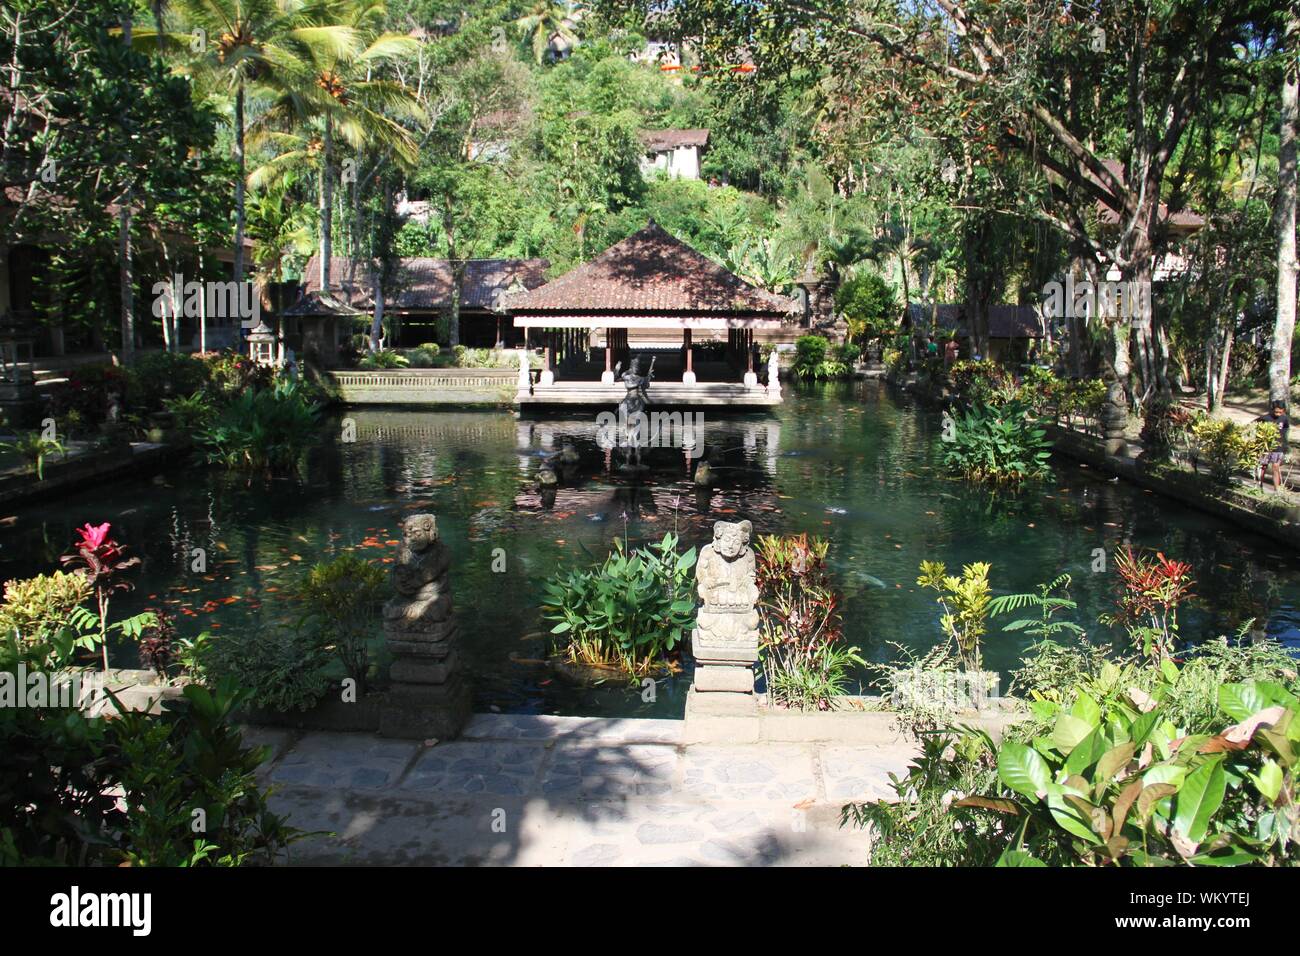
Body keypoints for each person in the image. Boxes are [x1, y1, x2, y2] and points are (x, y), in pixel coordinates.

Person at [1257, 400, 1291, 492]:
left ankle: (1277, 489)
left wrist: (1284, 444)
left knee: (1276, 467)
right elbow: (1254, 425)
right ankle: (1259, 487)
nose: (1278, 414)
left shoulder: (1284, 419)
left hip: (1278, 447)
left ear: (1283, 410)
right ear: (1272, 410)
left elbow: (1286, 429)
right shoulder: (1265, 418)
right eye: (1276, 412)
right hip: (1266, 447)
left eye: (1280, 412)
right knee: (1263, 466)